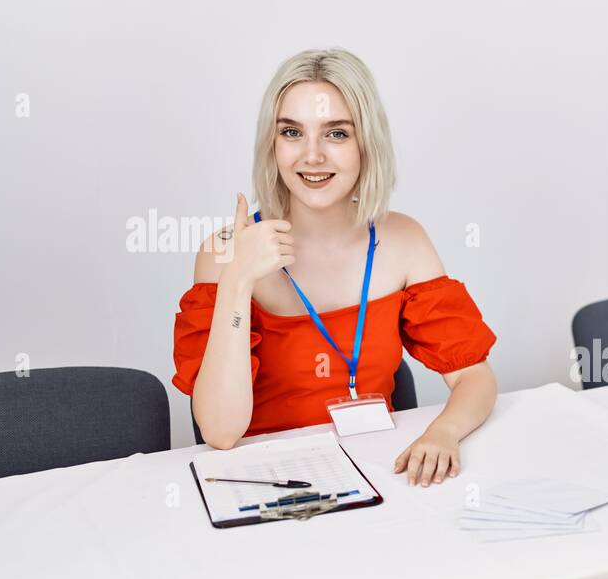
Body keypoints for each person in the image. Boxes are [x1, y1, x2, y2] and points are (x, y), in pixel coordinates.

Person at [172, 48, 496, 486]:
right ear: (272, 144)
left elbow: (474, 376)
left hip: (379, 471)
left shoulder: (404, 240)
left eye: (336, 134)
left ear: (367, 143)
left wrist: (444, 433)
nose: (313, 156)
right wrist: (236, 280)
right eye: (292, 132)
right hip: (266, 480)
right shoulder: (225, 251)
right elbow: (221, 432)